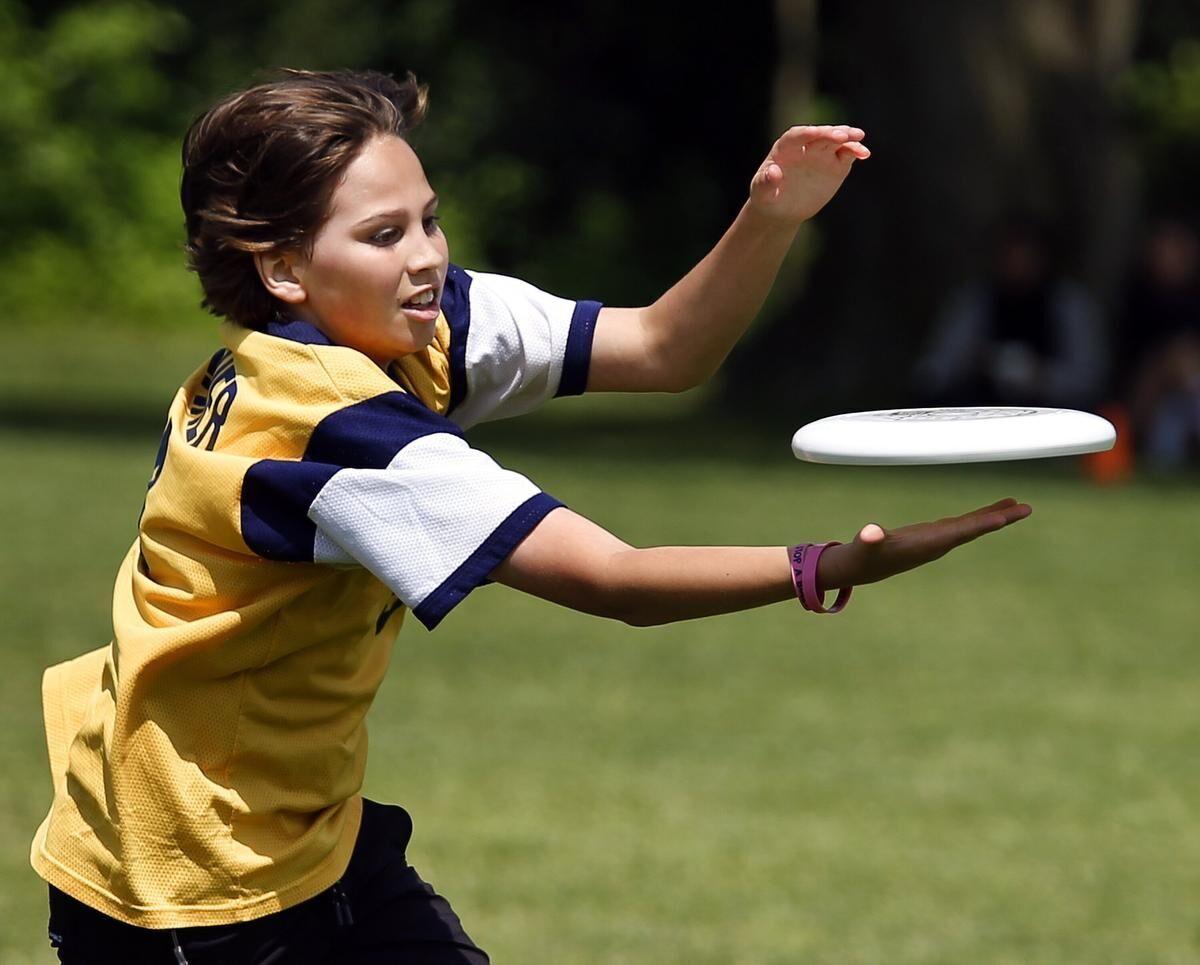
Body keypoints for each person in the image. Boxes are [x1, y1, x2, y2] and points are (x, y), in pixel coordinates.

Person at [30, 69, 1031, 964]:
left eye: (429, 218)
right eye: (382, 236)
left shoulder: (416, 327)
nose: (425, 256)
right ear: (284, 270)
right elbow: (614, 579)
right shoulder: (328, 429)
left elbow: (661, 348)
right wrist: (821, 567)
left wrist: (772, 215)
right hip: (191, 890)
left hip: (295, 836)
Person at [913, 216, 1106, 409]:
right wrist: (975, 363)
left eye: (1026, 258)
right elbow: (931, 374)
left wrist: (1040, 377)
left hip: (1054, 416)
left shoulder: (1067, 304)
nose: (1017, 267)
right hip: (981, 414)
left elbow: (1090, 379)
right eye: (1009, 257)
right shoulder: (976, 302)